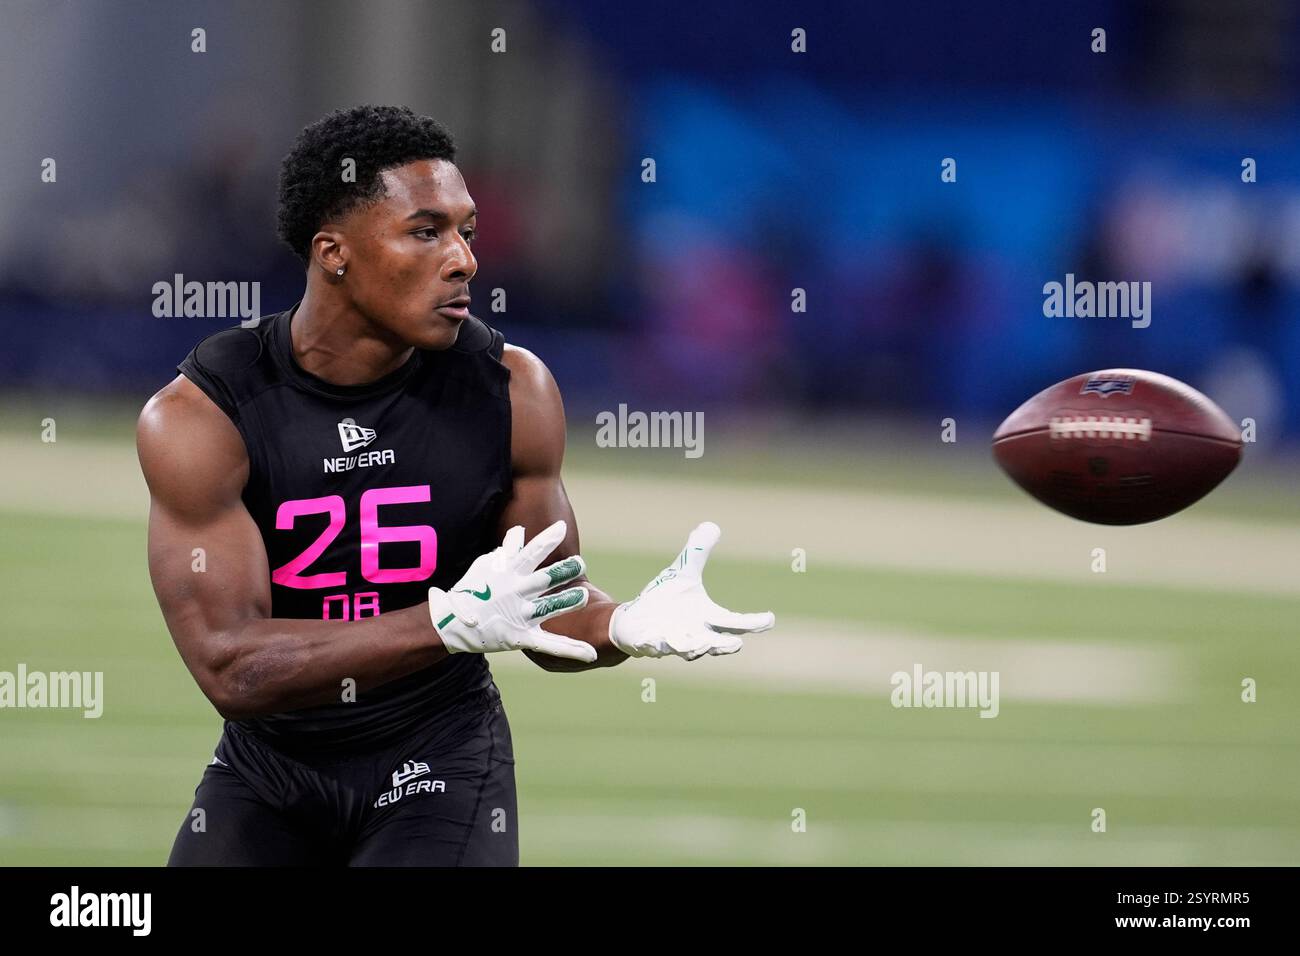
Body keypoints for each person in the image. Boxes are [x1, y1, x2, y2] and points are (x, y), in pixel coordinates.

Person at [136, 105, 775, 866]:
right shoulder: (205, 412)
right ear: (333, 252)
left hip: (439, 754)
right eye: (427, 230)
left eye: (467, 232)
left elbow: (546, 610)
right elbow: (230, 667)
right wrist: (442, 622)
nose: (466, 259)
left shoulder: (511, 388)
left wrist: (625, 623)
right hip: (272, 764)